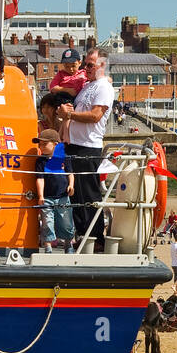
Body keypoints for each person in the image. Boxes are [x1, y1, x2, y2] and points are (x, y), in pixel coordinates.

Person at [60, 52, 115, 251]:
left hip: (88, 146)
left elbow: (95, 116)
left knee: (89, 194)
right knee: (76, 194)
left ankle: (96, 238)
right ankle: (83, 235)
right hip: (75, 144)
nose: (86, 68)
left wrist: (70, 114)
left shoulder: (104, 88)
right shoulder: (88, 86)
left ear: (102, 65)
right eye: (86, 65)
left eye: (90, 65)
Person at [35, 128, 74, 252]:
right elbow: (40, 178)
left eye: (45, 144)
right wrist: (40, 195)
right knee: (47, 221)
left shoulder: (64, 158)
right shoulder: (40, 160)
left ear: (55, 144)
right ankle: (48, 245)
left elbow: (70, 173)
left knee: (66, 221)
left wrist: (71, 185)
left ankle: (68, 243)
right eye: (40, 144)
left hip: (63, 195)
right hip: (47, 197)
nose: (41, 147)